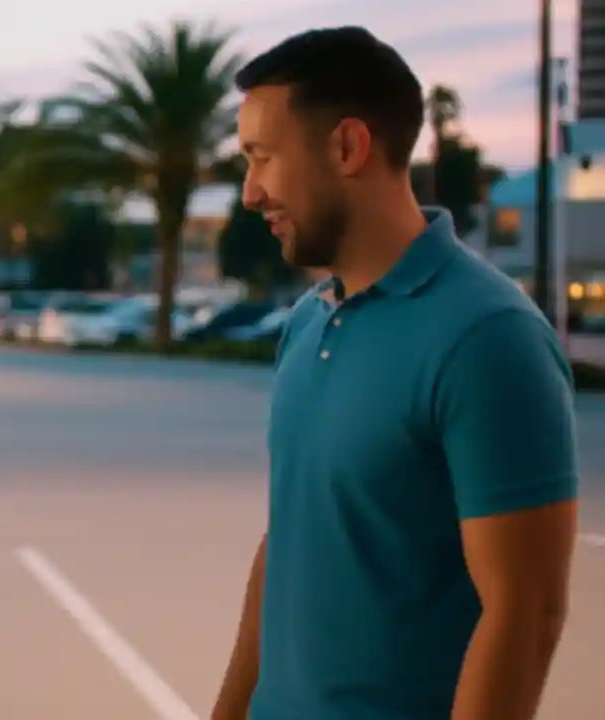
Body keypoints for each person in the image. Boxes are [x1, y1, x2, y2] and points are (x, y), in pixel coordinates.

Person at [211, 27, 579, 720]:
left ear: (348, 147)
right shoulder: (307, 322)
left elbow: (526, 615)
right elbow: (287, 545)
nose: (251, 193)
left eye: (263, 158)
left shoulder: (488, 336)